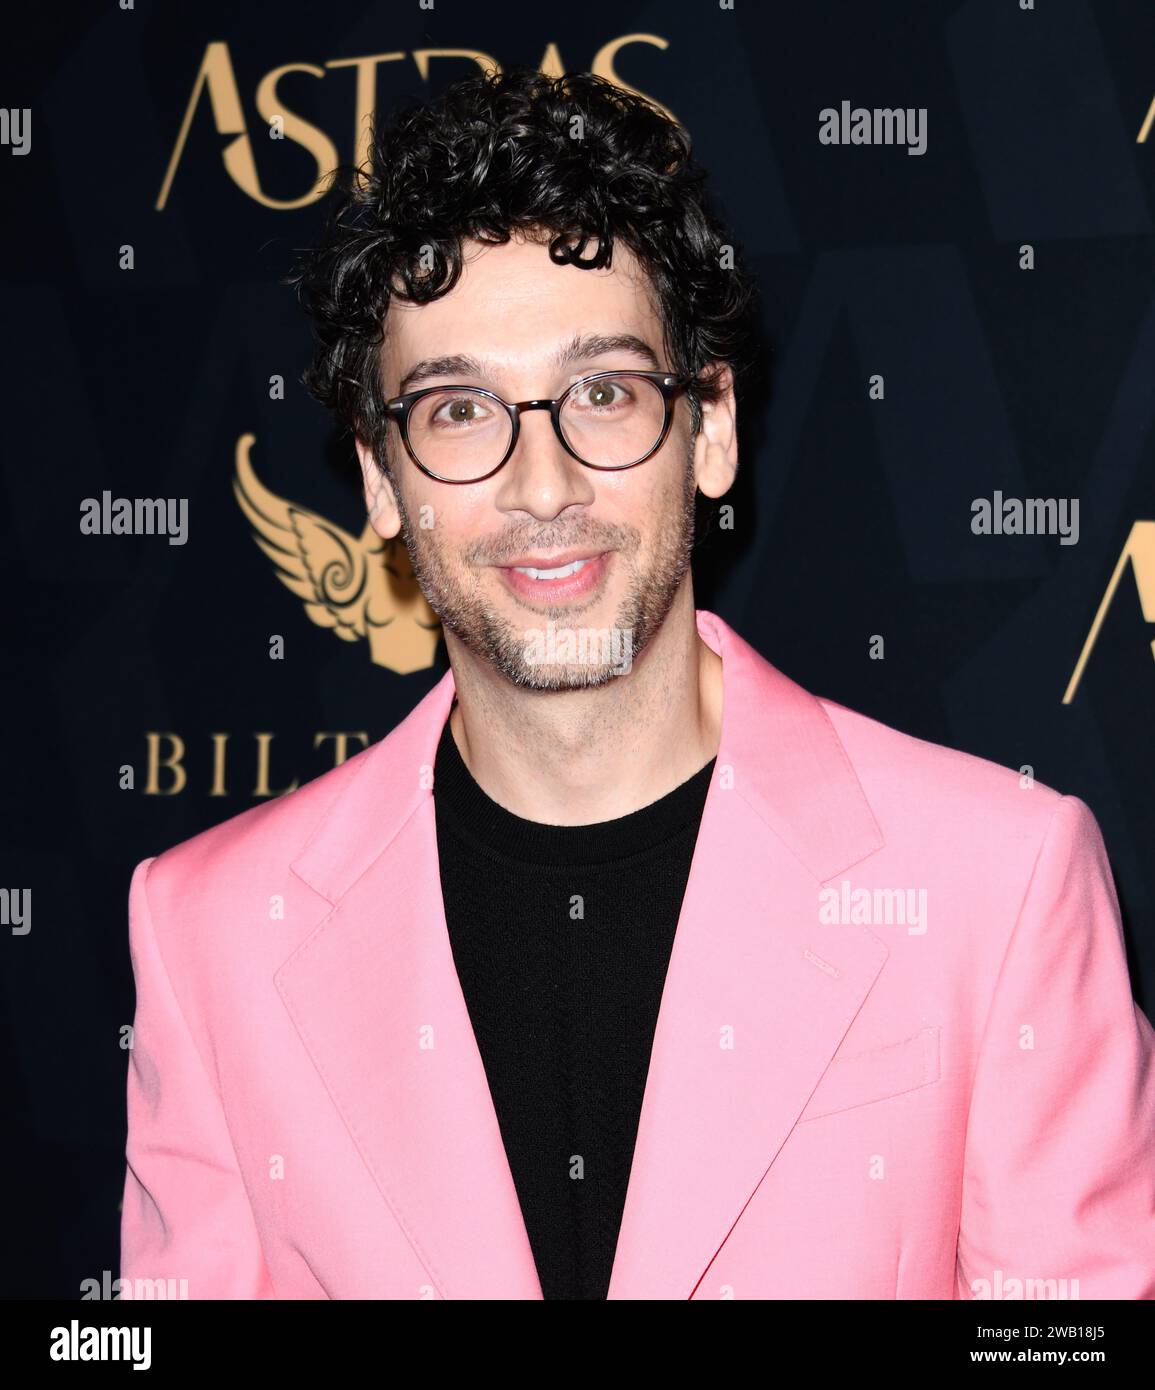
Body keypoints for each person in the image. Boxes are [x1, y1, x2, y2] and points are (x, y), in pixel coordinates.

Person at [120, 67, 1155, 1300]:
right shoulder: (211, 934)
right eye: (459, 410)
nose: (543, 486)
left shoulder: (1001, 884)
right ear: (383, 480)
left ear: (710, 423)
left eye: (603, 392)